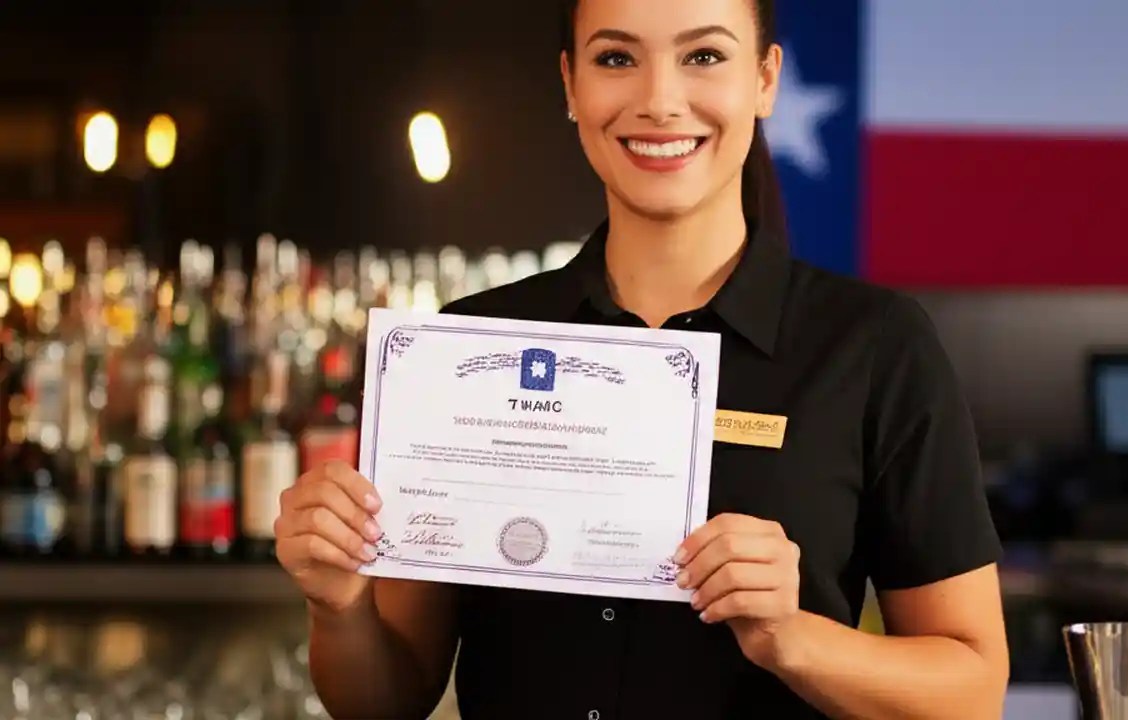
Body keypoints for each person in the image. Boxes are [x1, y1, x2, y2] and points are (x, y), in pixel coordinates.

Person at [277, 0, 1010, 717]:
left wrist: (792, 638)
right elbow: (387, 697)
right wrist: (338, 604)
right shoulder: (475, 342)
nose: (660, 101)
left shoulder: (874, 345)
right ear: (571, 85)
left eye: (704, 56)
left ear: (765, 78)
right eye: (617, 58)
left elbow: (972, 691)